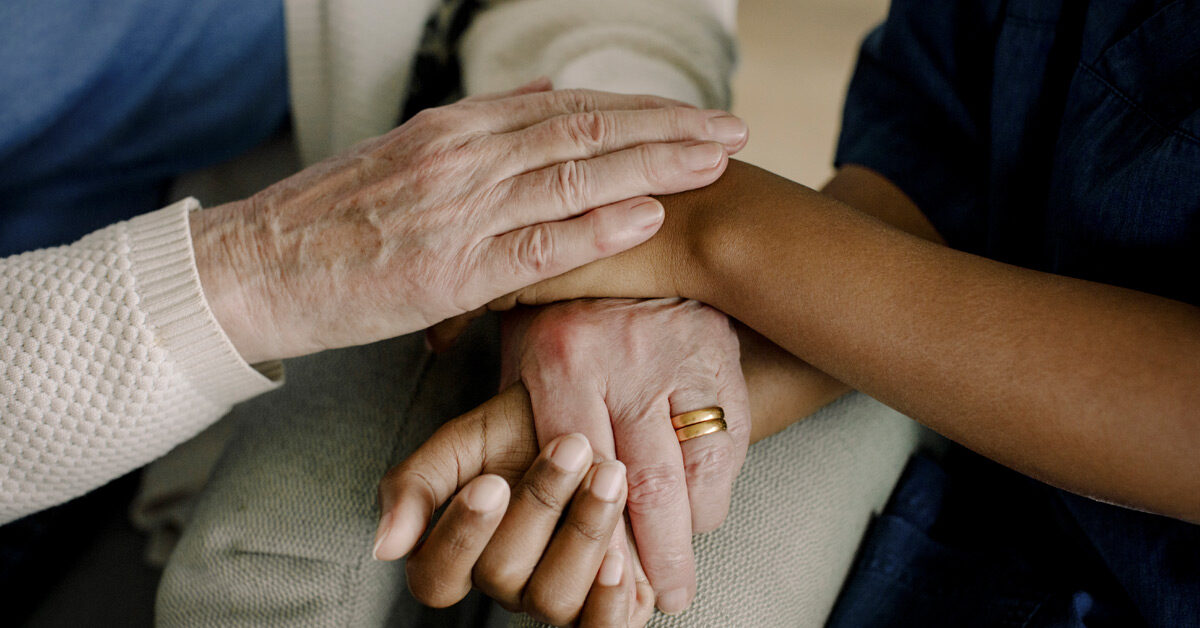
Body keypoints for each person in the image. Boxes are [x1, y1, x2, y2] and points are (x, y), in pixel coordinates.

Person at [377, 0, 1200, 625]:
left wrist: (702, 230)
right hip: (988, 526)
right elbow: (934, 166)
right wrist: (641, 422)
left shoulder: (711, 231)